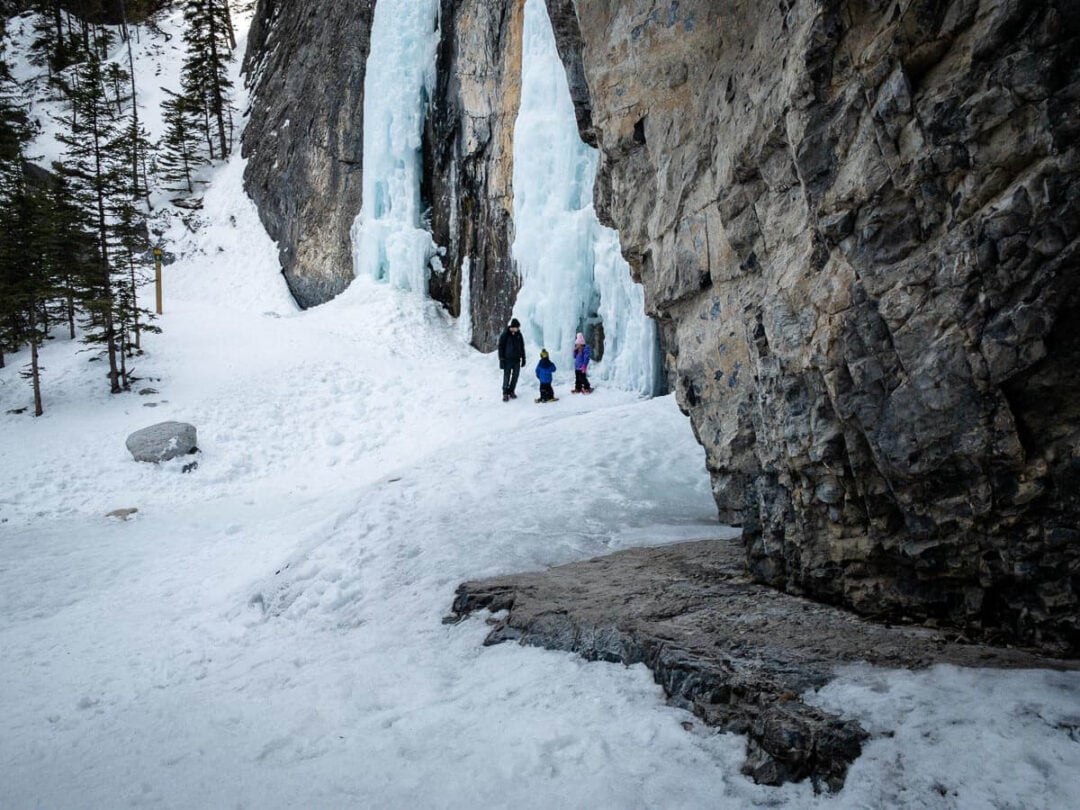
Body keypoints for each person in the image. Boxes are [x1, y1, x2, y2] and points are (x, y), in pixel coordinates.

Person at [497, 317, 526, 401]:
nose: (518, 329)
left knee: (515, 377)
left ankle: (511, 391)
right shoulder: (505, 334)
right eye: (517, 327)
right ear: (513, 327)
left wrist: (523, 359)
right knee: (506, 377)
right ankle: (505, 393)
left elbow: (522, 347)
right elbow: (500, 347)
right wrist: (501, 359)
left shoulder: (519, 335)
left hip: (517, 360)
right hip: (507, 360)